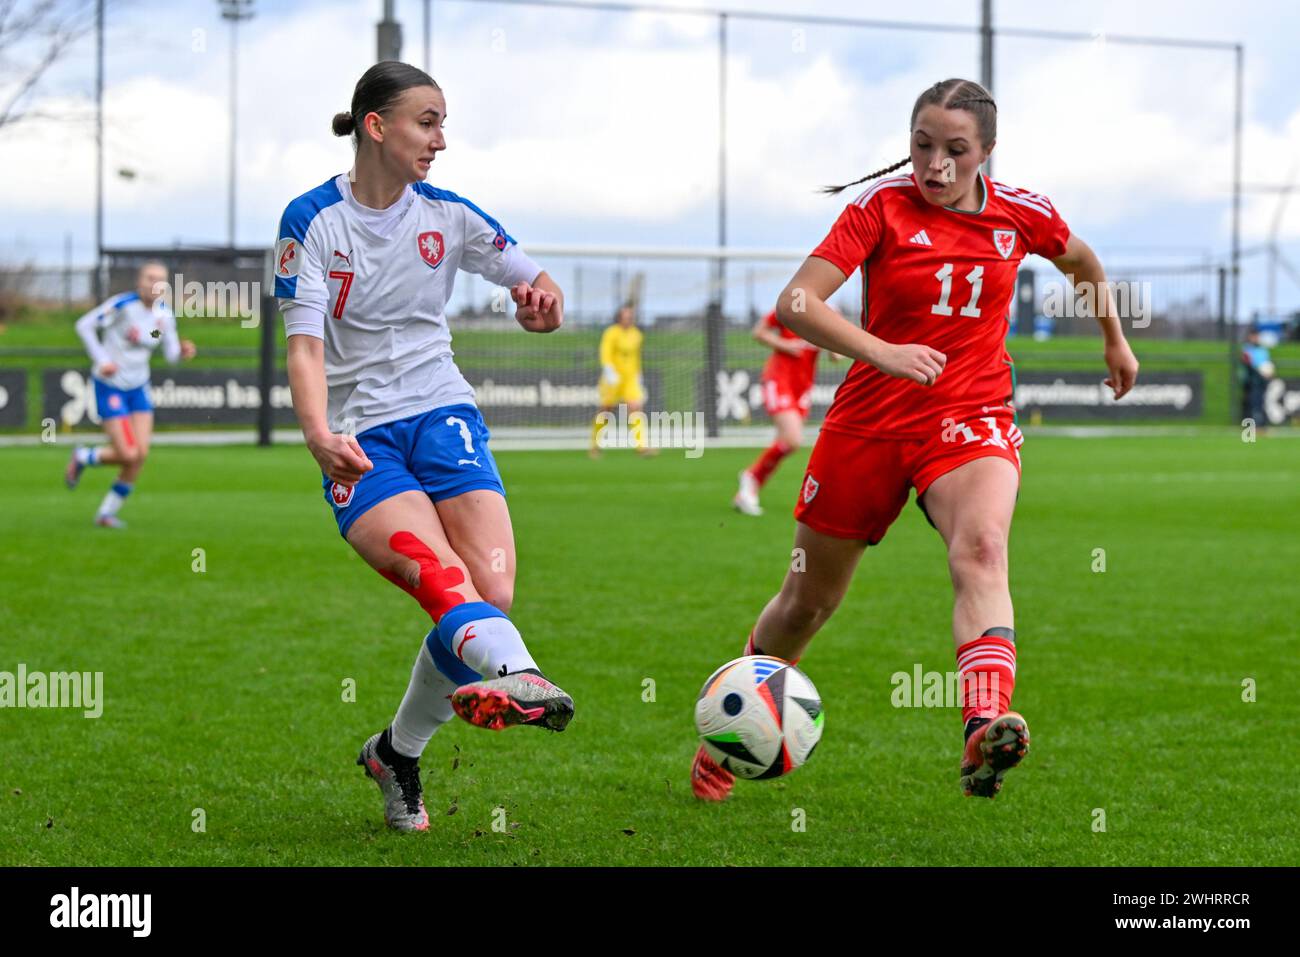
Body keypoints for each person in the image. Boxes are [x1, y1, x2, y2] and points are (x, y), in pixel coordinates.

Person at [691, 78, 1140, 802]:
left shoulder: (1021, 214)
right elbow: (797, 301)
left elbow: (1081, 262)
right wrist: (883, 351)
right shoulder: (879, 209)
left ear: (986, 153)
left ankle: (982, 723)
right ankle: (726, 737)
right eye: (922, 146)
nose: (934, 165)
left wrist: (1114, 339)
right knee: (806, 603)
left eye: (954, 151)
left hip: (971, 415)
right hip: (868, 423)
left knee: (982, 547)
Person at [276, 61, 574, 833]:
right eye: (428, 121)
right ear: (377, 126)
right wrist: (317, 435)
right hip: (361, 438)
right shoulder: (310, 221)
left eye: (442, 122)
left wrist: (541, 303)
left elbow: (533, 278)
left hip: (444, 415)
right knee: (443, 579)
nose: (441, 139)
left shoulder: (448, 214)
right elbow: (304, 348)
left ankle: (395, 752)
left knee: (492, 592)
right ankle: (520, 672)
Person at [65, 261, 197, 527]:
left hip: (138, 388)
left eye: (160, 279)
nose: (154, 284)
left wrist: (182, 352)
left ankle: (106, 514)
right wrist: (102, 359)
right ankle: (83, 456)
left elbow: (169, 354)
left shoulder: (164, 317)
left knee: (140, 455)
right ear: (139, 281)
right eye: (150, 277)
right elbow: (84, 325)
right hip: (110, 385)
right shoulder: (122, 306)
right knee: (127, 453)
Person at [732, 307, 837, 515]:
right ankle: (751, 477)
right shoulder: (791, 305)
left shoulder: (827, 313)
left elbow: (836, 356)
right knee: (793, 439)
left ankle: (749, 487)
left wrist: (831, 340)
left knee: (786, 443)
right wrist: (785, 344)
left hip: (802, 386)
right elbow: (759, 332)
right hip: (778, 380)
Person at [590, 303, 655, 456]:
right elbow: (605, 353)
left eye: (631, 316)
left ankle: (641, 446)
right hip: (612, 378)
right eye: (626, 316)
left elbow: (636, 356)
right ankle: (595, 444)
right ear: (619, 317)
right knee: (606, 410)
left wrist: (639, 375)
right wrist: (609, 370)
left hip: (630, 378)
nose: (629, 319)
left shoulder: (636, 334)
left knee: (635, 407)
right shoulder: (611, 333)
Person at [1239, 327, 1272, 426]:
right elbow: (1246, 362)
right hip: (1250, 380)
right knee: (1250, 402)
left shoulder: (1263, 350)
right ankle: (1249, 424)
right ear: (1250, 337)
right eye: (1253, 336)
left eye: (1256, 336)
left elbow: (1267, 364)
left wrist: (1268, 373)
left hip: (1261, 380)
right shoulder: (1246, 349)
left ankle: (1260, 424)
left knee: (1259, 402)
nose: (1255, 338)